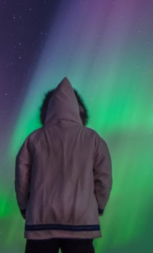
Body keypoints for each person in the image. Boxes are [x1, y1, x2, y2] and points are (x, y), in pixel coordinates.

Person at [15, 77, 112, 253]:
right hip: (80, 221)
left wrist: (25, 207)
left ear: (48, 109)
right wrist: (98, 206)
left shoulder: (34, 139)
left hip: (41, 220)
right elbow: (104, 178)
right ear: (77, 109)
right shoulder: (93, 139)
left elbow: (22, 178)